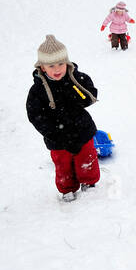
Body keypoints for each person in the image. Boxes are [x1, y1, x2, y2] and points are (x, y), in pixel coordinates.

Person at [25, 34, 100, 202]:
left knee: (87, 158)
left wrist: (75, 91)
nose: (57, 69)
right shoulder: (37, 91)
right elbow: (35, 115)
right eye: (51, 65)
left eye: (61, 63)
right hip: (58, 137)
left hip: (82, 130)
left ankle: (89, 184)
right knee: (63, 165)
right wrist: (53, 133)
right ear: (43, 67)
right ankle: (67, 190)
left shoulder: (76, 78)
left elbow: (90, 96)